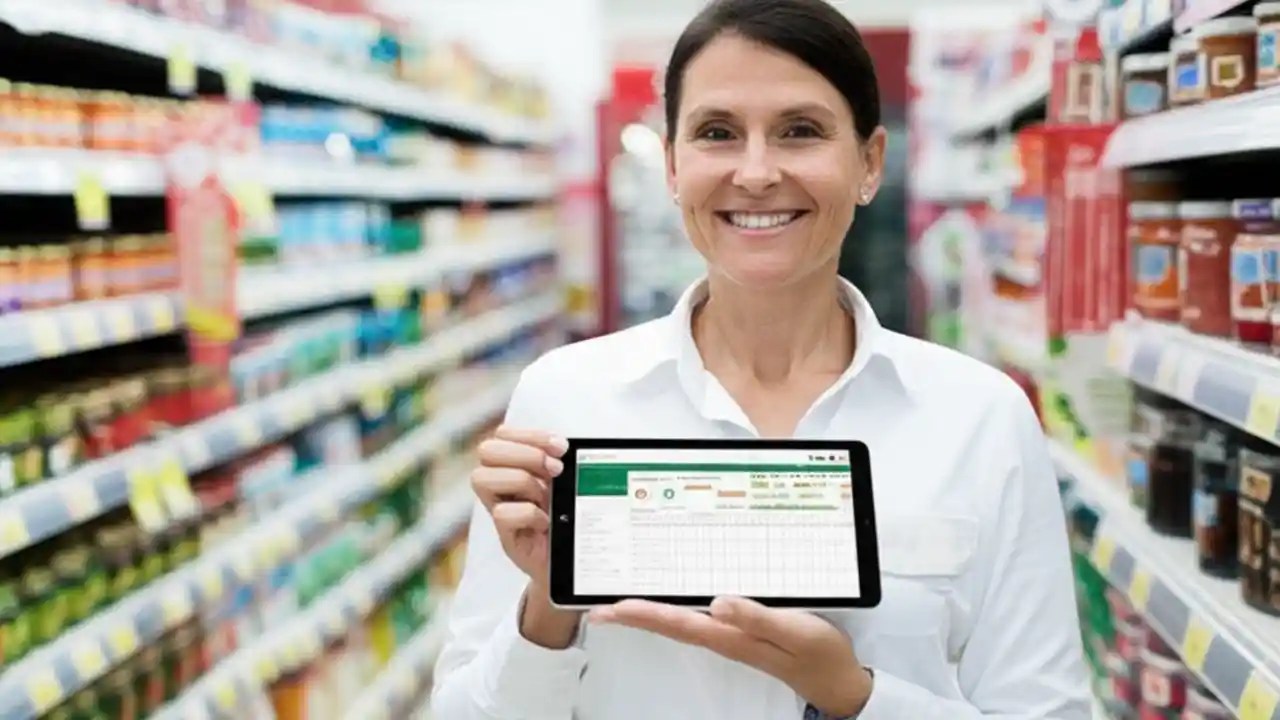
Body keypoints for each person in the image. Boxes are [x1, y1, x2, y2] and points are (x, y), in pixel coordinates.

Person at [431, 0, 1093, 717]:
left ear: (869, 163)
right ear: (673, 165)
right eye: (717, 133)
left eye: (800, 131)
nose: (755, 172)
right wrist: (548, 602)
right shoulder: (565, 399)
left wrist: (854, 696)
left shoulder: (979, 417)